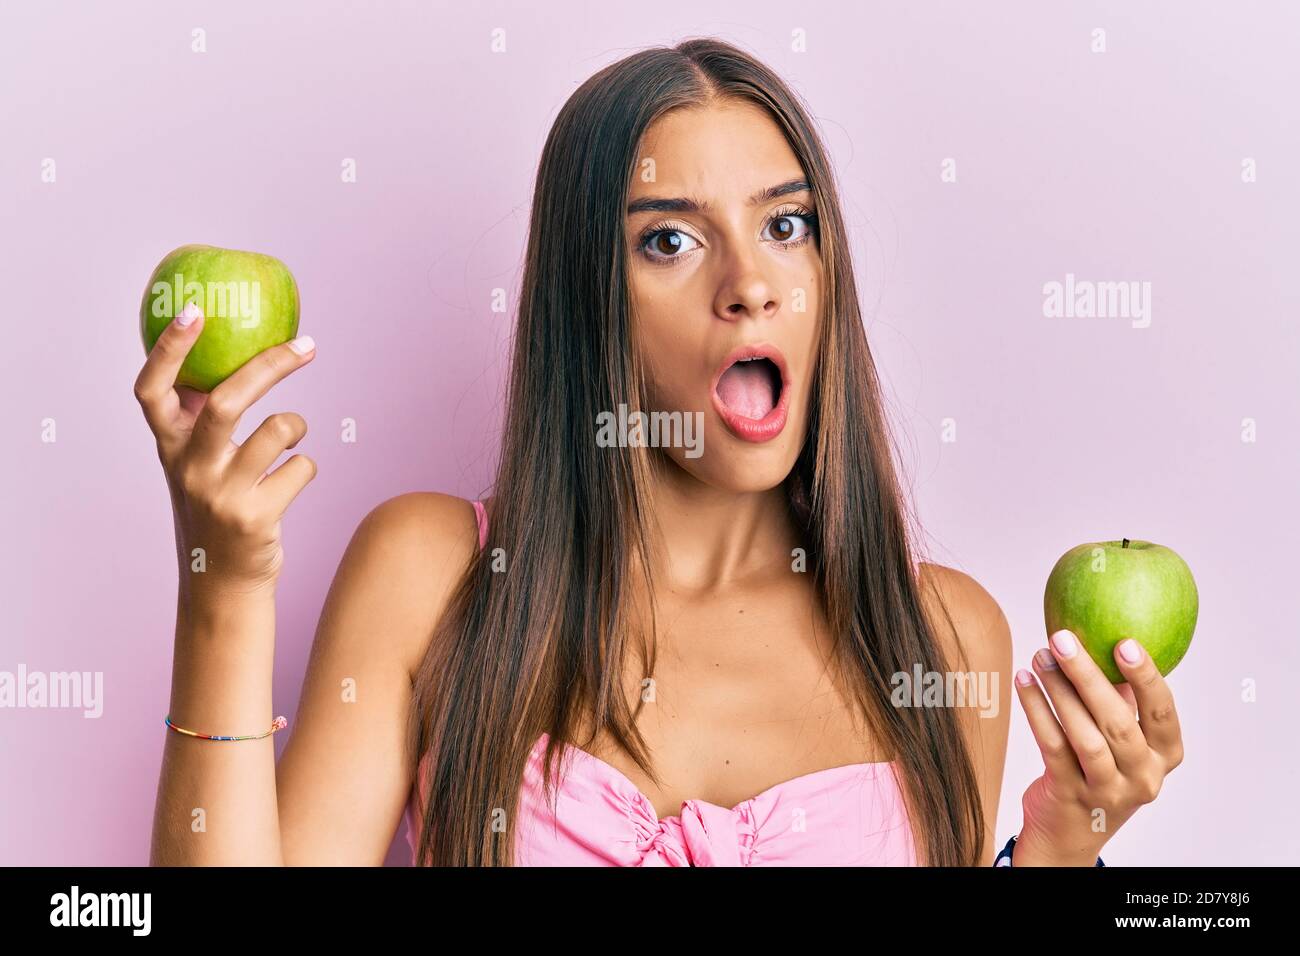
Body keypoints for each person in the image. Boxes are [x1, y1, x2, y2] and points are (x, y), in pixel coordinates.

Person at [139, 38, 1182, 867]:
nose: (749, 281)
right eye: (668, 241)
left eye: (786, 224)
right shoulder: (435, 575)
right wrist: (222, 582)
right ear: (587, 303)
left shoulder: (942, 638)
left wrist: (1060, 840)